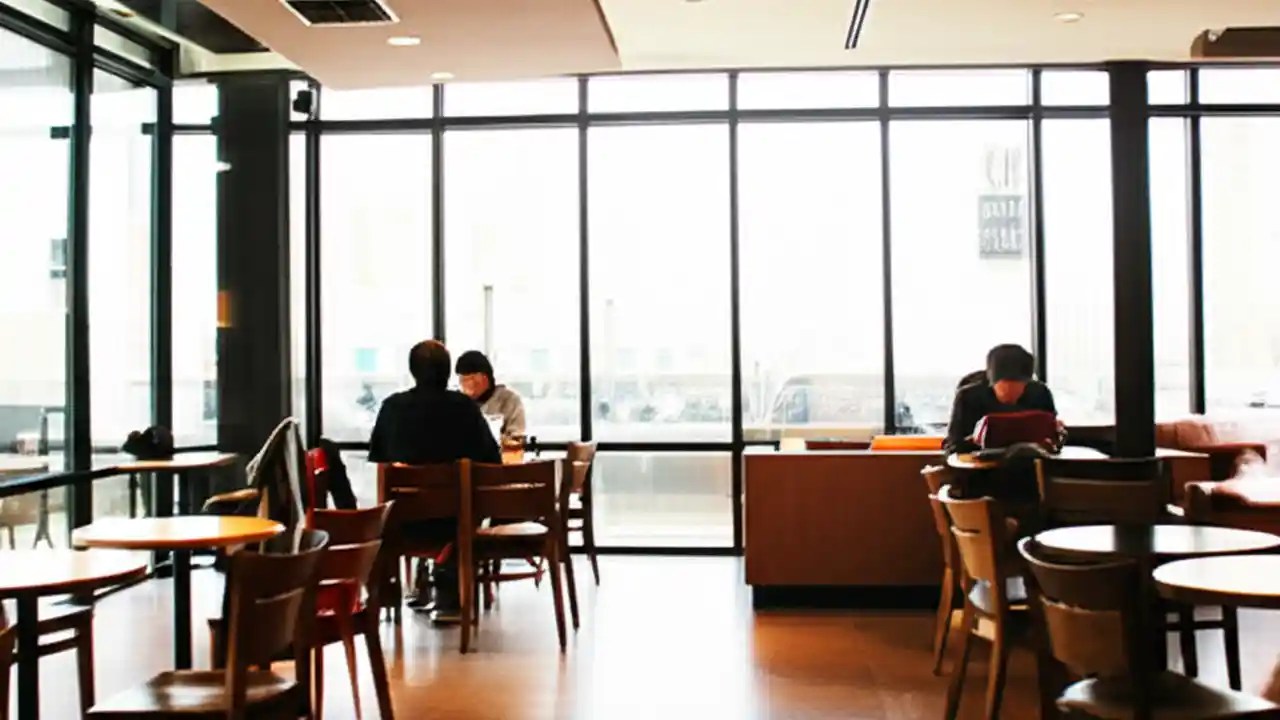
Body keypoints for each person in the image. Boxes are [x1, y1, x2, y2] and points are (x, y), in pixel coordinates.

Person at [368, 340, 501, 622]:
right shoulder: (464, 409)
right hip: (457, 520)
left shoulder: (392, 409)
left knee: (423, 508)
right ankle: (448, 592)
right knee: (462, 507)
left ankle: (418, 583)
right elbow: (492, 463)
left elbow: (381, 460)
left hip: (404, 521)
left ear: (412, 371)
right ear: (448, 371)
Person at [944, 344, 1058, 455]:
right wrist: (975, 439)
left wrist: (1056, 433)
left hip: (1029, 462)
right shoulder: (968, 397)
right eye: (1004, 388)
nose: (1010, 394)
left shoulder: (1040, 394)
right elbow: (952, 448)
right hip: (980, 467)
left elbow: (1052, 440)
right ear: (992, 383)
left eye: (1017, 388)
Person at [455, 350, 527, 443]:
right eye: (463, 380)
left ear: (485, 378)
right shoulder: (459, 402)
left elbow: (516, 437)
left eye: (470, 379)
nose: (466, 385)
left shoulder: (509, 400)